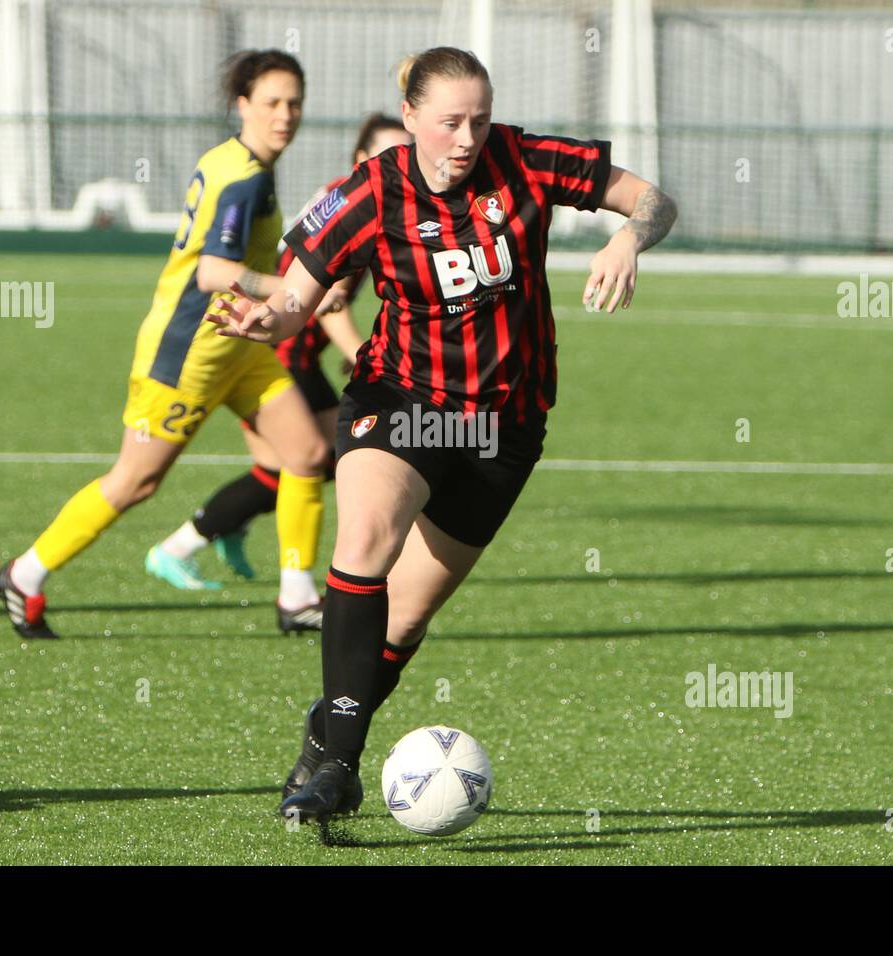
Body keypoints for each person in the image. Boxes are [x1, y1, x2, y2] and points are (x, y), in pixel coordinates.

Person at [208, 46, 678, 821]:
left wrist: (629, 236)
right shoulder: (370, 190)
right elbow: (298, 294)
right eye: (451, 122)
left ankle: (326, 733)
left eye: (480, 120)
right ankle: (339, 770)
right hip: (402, 400)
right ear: (412, 120)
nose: (468, 138)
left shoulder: (525, 160)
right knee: (364, 539)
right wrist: (271, 317)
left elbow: (654, 200)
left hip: (504, 425)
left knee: (406, 618)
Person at [0, 49, 333, 638]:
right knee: (135, 482)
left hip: (238, 346)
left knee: (305, 454)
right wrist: (296, 289)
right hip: (190, 355)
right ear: (243, 103)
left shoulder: (237, 160)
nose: (286, 114)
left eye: (295, 103)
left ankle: (298, 597)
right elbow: (212, 270)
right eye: (273, 102)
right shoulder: (245, 177)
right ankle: (25, 573)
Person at [146, 114, 411, 594]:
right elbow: (326, 301)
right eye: (388, 154)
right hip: (281, 348)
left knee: (313, 460)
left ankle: (215, 539)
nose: (401, 164)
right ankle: (187, 548)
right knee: (312, 459)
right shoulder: (361, 208)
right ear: (360, 159)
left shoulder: (352, 193)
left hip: (298, 352)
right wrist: (361, 353)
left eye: (406, 153)